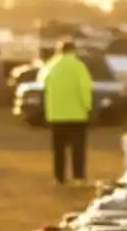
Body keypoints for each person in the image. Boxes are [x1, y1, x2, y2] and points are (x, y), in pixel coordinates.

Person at [39, 39, 93, 186]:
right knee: (78, 149)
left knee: (58, 149)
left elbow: (42, 84)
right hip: (77, 115)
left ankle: (59, 178)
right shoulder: (79, 66)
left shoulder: (50, 65)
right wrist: (88, 107)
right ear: (74, 50)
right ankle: (78, 177)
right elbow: (84, 89)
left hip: (56, 115)